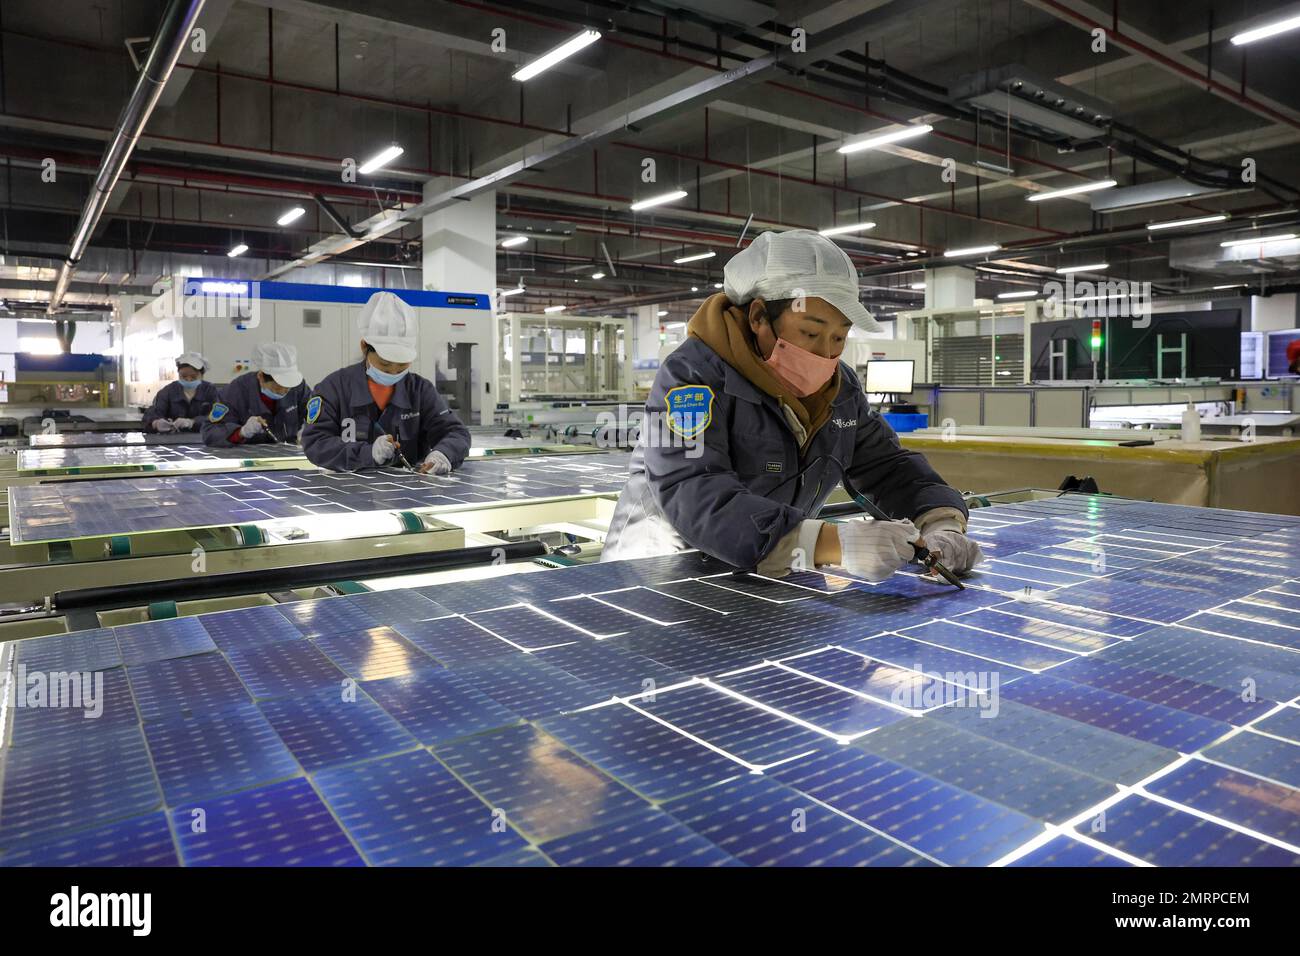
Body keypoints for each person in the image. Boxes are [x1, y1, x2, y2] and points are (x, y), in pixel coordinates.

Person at [603, 228, 982, 582]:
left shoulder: (840, 389)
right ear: (758, 317)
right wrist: (832, 545)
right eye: (811, 332)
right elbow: (693, 489)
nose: (826, 353)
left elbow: (886, 465)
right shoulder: (693, 377)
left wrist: (940, 520)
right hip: (663, 574)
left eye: (839, 336)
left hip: (768, 569)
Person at [301, 291, 470, 473]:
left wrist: (443, 454)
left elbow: (456, 433)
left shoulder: (421, 391)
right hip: (345, 491)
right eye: (385, 364)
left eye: (402, 365)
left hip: (409, 495)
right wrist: (367, 453)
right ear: (365, 346)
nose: (394, 371)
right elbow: (315, 442)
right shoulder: (333, 388)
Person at [201, 342, 311, 447]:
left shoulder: (298, 387)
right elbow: (210, 432)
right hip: (246, 457)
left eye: (288, 387)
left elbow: (317, 416)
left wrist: (309, 432)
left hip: (288, 451)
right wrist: (241, 432)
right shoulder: (235, 391)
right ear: (261, 377)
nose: (284, 391)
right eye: (278, 387)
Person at [142, 351, 218, 434]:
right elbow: (153, 412)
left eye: (193, 377)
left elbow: (218, 415)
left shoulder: (210, 390)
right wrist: (156, 423)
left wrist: (192, 422)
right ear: (178, 374)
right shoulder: (168, 391)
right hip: (172, 440)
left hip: (203, 438)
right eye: (184, 376)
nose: (189, 380)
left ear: (202, 375)